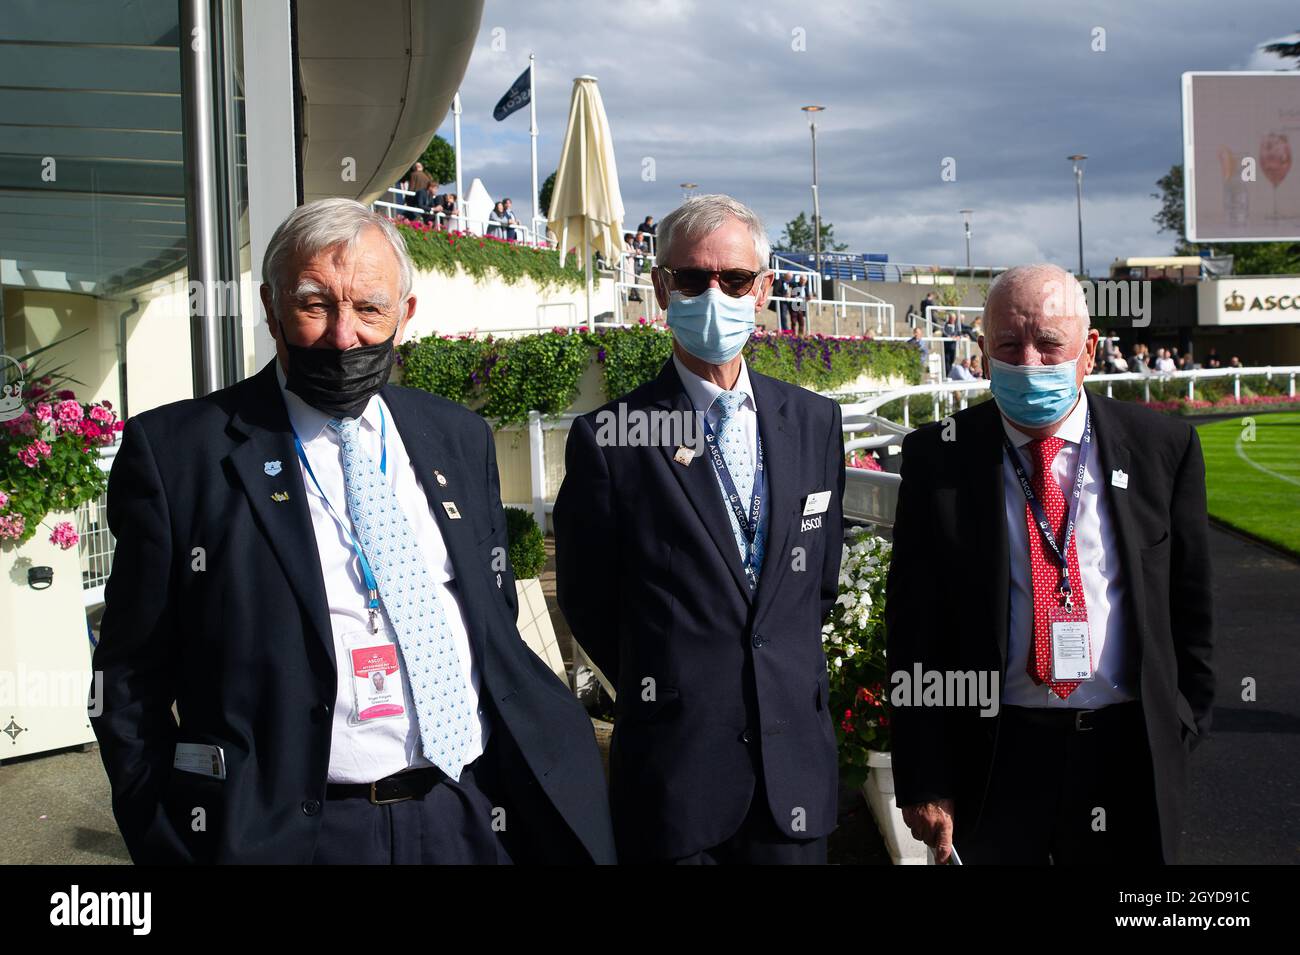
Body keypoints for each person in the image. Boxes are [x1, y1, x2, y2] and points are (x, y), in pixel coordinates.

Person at [91, 198, 616, 865]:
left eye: (369, 308)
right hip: (295, 836)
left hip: (469, 813)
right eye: (315, 305)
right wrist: (164, 837)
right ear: (271, 306)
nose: (344, 336)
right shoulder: (177, 454)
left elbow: (489, 620)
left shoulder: (457, 437)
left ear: (406, 313)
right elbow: (127, 680)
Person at [886, 263, 1213, 865]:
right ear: (983, 353)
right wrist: (926, 775)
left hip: (1127, 754)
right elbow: (915, 628)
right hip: (995, 755)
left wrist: (1182, 722)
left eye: (1049, 344)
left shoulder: (1162, 447)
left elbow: (1191, 606)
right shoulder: (938, 458)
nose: (1029, 363)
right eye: (1009, 345)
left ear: (1088, 351)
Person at [553, 194, 845, 864]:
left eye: (735, 279)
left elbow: (815, 586)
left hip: (792, 782)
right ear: (661, 287)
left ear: (764, 290)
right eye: (693, 278)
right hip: (675, 783)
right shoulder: (610, 438)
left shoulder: (814, 422)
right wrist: (674, 685)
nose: (715, 293)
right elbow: (588, 598)